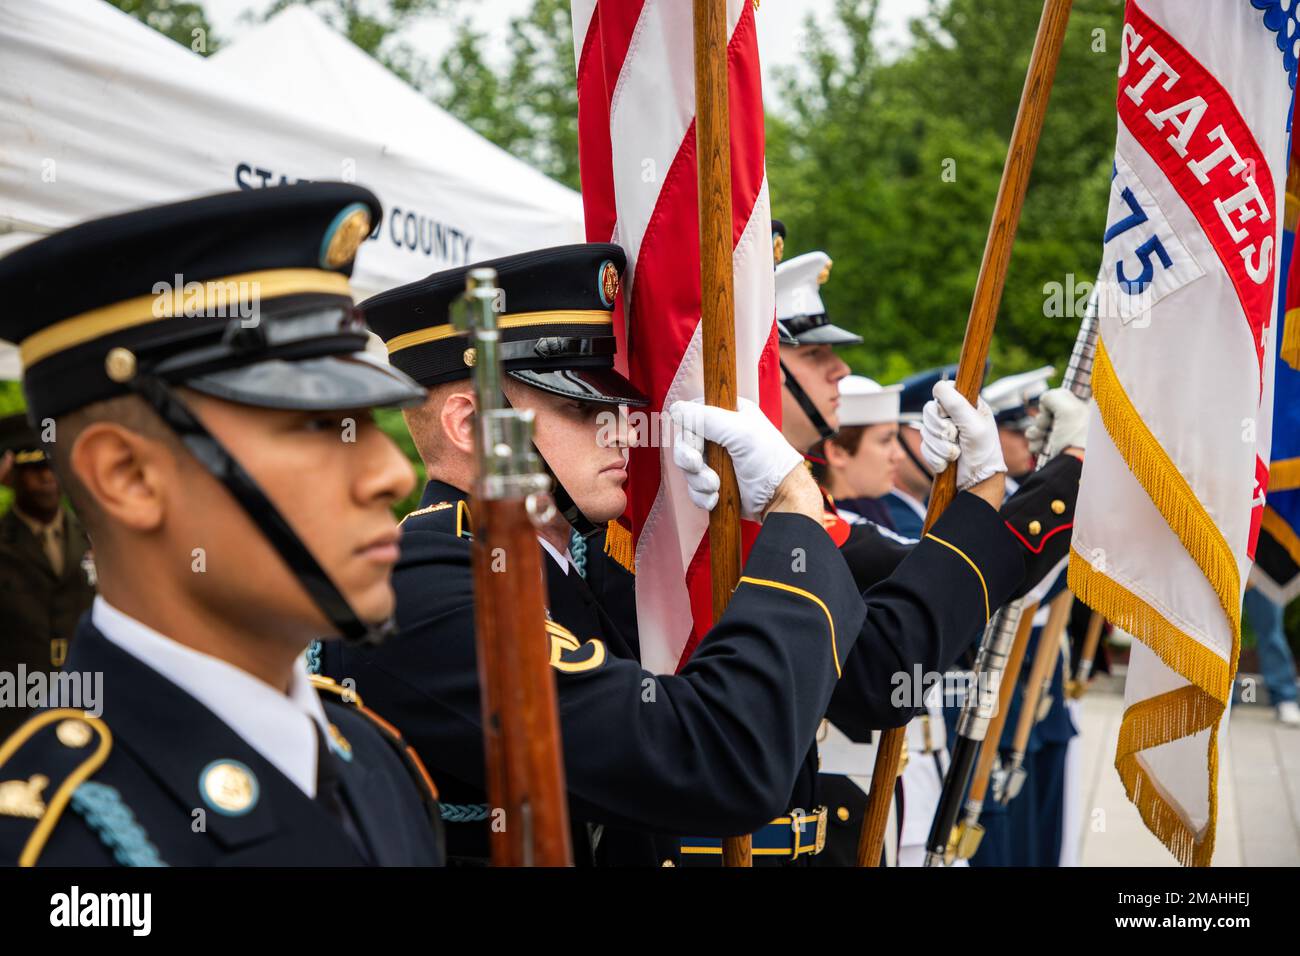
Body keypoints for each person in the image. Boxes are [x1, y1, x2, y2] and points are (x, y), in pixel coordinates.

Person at [322, 243, 1022, 867]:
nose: (622, 431)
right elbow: (718, 757)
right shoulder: (419, 587)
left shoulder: (598, 566)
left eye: (620, 407)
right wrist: (795, 514)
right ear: (473, 425)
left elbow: (872, 670)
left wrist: (980, 497)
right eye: (582, 409)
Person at [0, 184, 444, 866]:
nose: (392, 473)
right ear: (128, 476)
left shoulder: (374, 759)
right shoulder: (53, 844)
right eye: (318, 423)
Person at [0, 414, 96, 739]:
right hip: (12, 706)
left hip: (84, 701)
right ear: (9, 476)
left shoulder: (95, 537)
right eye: (33, 469)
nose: (46, 478)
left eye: (52, 467)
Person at [1242, 585, 1300, 726]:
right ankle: (1216, 697)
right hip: (1226, 563)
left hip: (1263, 569)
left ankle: (1284, 697)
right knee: (1220, 627)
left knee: (1271, 630)